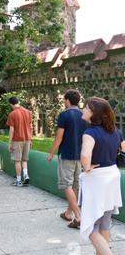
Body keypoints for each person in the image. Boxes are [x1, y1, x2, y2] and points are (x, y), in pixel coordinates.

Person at [79, 96, 125, 255]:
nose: (83, 110)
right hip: (112, 177)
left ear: (94, 113)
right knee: (104, 224)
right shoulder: (116, 131)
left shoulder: (90, 133)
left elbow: (85, 155)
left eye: (86, 108)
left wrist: (86, 166)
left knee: (91, 226)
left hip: (96, 180)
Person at [47, 90, 87, 228]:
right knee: (75, 185)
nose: (64, 103)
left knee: (66, 185)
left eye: (64, 100)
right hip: (80, 156)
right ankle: (69, 213)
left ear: (68, 100)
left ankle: (78, 215)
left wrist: (51, 153)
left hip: (67, 155)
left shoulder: (64, 115)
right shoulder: (84, 115)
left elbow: (59, 137)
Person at [6, 96, 32, 187]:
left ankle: (18, 181)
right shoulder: (28, 112)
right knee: (24, 160)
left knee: (17, 160)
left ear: (11, 104)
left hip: (18, 139)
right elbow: (31, 127)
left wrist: (9, 143)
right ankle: (26, 175)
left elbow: (12, 130)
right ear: (18, 101)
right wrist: (31, 139)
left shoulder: (12, 114)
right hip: (27, 138)